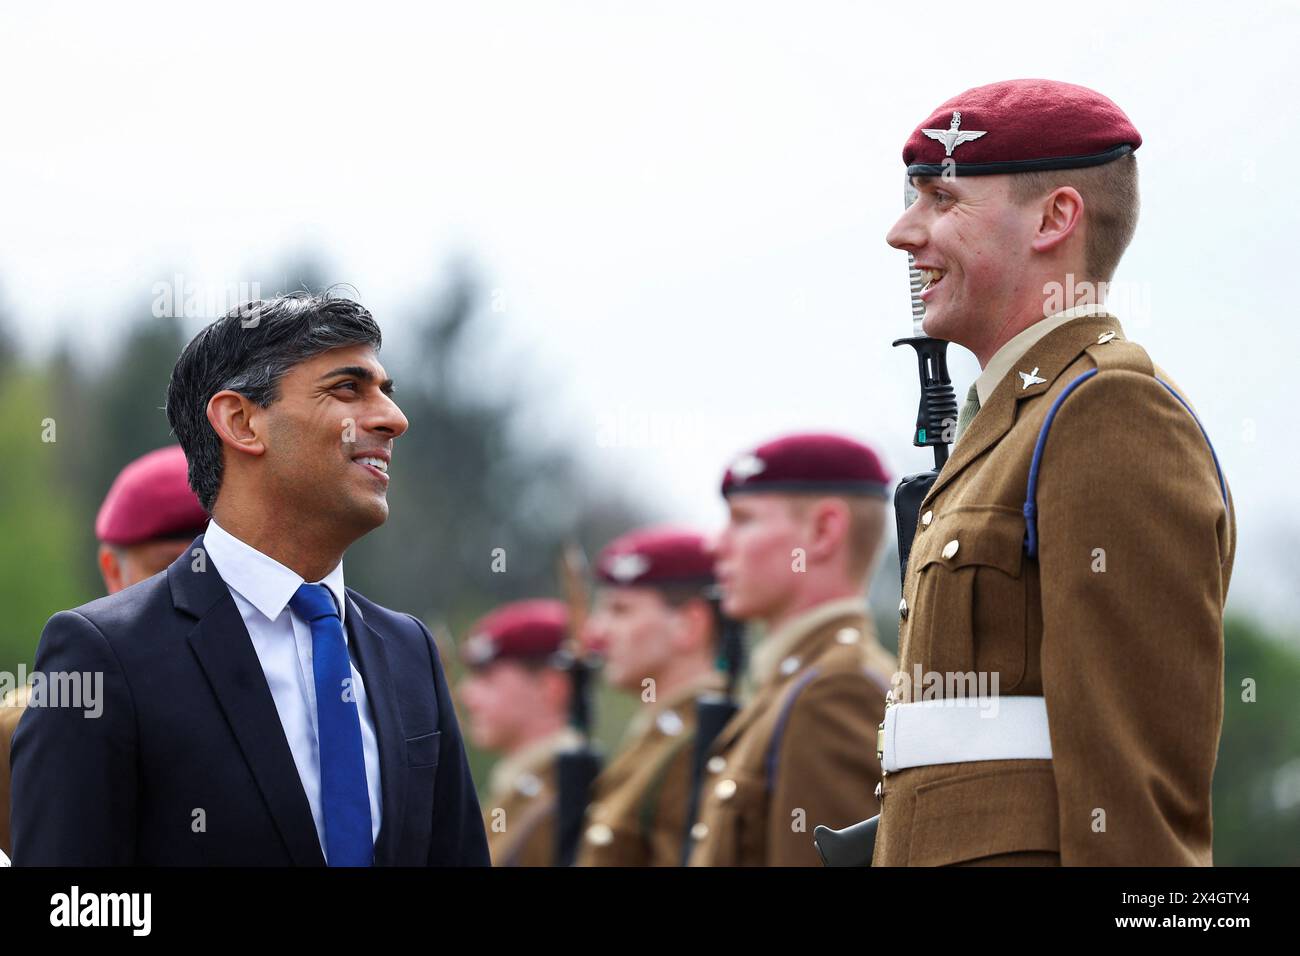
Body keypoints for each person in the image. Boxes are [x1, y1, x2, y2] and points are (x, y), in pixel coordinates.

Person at [874, 79, 1235, 866]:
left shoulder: (1109, 414)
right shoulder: (1010, 427)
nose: (903, 232)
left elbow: (1135, 808)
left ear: (1054, 218)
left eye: (942, 198)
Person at [10, 292, 489, 866]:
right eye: (347, 388)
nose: (392, 418)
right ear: (241, 421)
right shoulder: (105, 653)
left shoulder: (409, 652)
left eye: (386, 391)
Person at [687, 432, 896, 866]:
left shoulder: (834, 690)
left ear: (823, 531)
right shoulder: (797, 684)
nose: (715, 545)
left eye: (743, 520)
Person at [0, 443, 208, 857]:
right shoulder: (22, 729)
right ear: (113, 570)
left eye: (210, 567)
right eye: (168, 567)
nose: (194, 588)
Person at [575, 527, 723, 866]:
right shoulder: (658, 738)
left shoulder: (698, 744)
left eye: (620, 610)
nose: (595, 633)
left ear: (689, 624)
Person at [458, 599, 576, 867]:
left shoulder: (563, 798)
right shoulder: (526, 790)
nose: (466, 695)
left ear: (551, 687)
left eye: (486, 678)